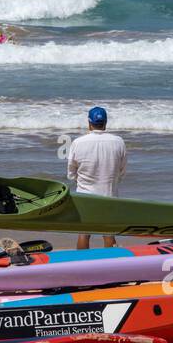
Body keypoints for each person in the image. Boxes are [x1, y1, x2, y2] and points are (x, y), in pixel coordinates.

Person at [67, 106, 127, 249]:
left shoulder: (78, 143)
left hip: (85, 196)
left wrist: (81, 181)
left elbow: (71, 173)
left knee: (83, 233)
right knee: (108, 233)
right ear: (105, 123)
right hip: (109, 194)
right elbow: (122, 171)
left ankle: (82, 265)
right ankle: (110, 265)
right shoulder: (118, 142)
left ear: (89, 123)